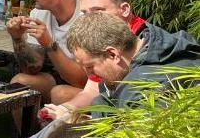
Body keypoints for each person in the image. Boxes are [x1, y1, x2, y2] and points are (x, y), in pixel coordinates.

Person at [66, 11, 200, 115]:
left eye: (90, 66)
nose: (89, 74)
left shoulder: (142, 89)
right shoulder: (169, 44)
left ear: (112, 54)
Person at [47, 0, 148, 106]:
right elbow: (92, 89)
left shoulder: (143, 39)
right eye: (84, 13)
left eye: (98, 11)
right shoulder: (101, 37)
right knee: (60, 95)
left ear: (124, 9)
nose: (89, 19)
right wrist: (66, 110)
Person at [6, 0, 85, 101]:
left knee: (60, 93)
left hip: (88, 85)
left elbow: (81, 81)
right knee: (20, 83)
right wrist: (17, 38)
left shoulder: (86, 17)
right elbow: (32, 69)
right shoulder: (38, 13)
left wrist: (49, 43)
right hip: (55, 78)